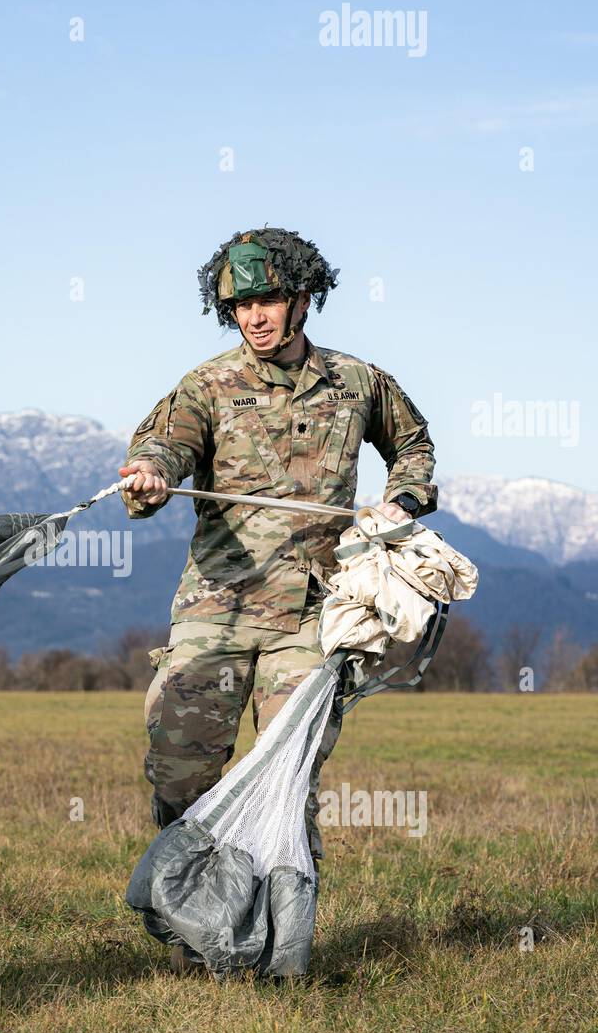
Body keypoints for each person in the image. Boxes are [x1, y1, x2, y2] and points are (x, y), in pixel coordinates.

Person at [119, 226, 437, 892]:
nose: (254, 317)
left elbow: (413, 446)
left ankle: (278, 941)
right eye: (240, 305)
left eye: (268, 300)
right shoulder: (206, 386)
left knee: (286, 775)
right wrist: (150, 473)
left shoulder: (358, 383)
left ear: (302, 299)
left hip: (313, 616)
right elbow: (166, 450)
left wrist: (401, 502)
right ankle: (193, 918)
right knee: (180, 768)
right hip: (217, 610)